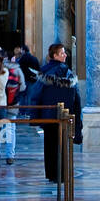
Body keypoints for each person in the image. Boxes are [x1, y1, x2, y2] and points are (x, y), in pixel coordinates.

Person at [34, 43, 83, 183]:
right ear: (54, 55)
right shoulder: (66, 72)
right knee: (61, 145)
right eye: (62, 53)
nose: (65, 55)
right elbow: (75, 96)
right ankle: (60, 175)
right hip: (63, 115)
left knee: (49, 145)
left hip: (48, 116)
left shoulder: (44, 71)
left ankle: (51, 173)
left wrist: (36, 116)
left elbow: (36, 95)